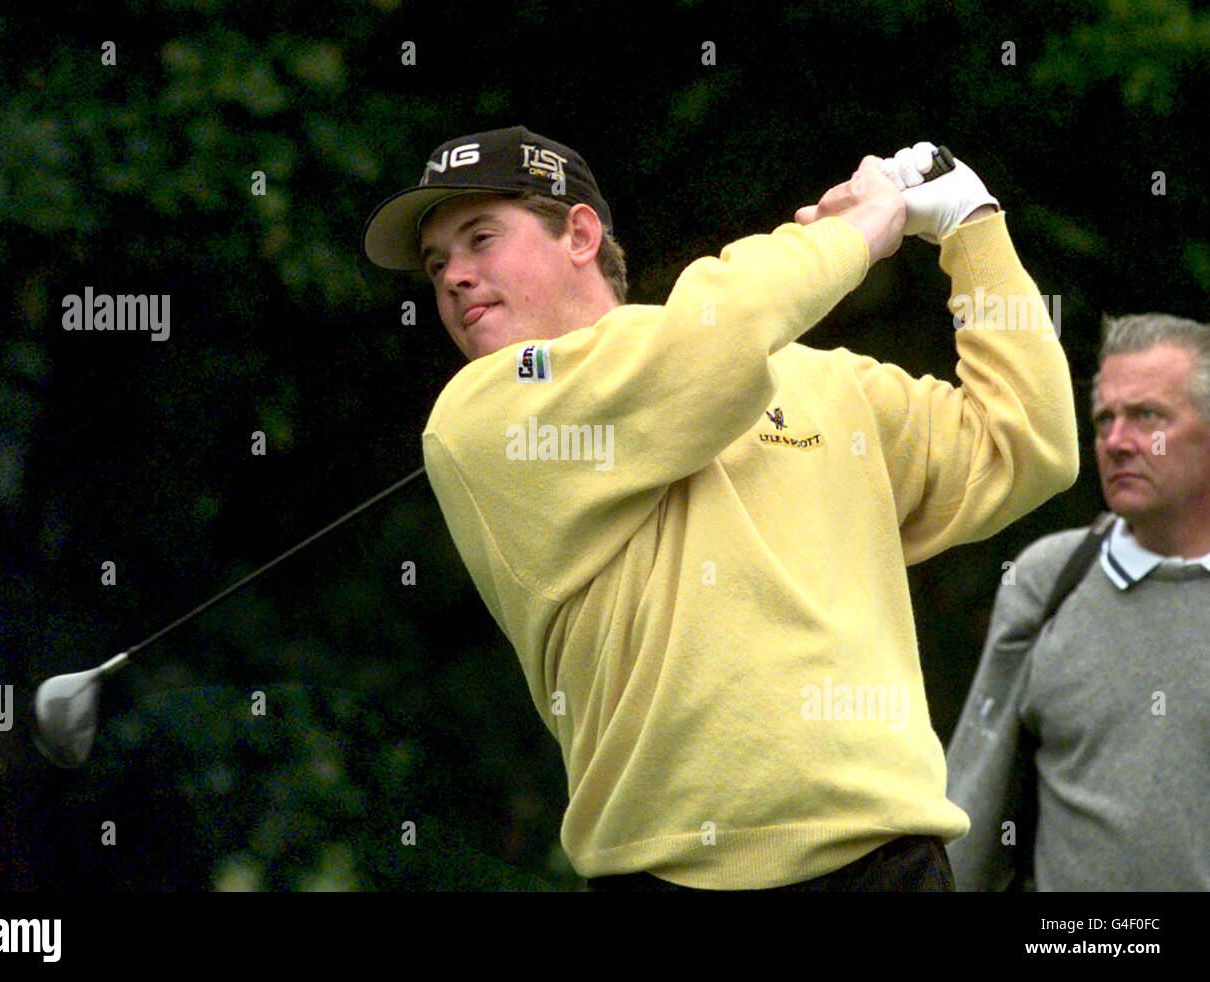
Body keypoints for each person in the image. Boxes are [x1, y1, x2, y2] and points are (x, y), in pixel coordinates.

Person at [362, 125, 1078, 890]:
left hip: (889, 864)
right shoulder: (481, 415)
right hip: (667, 875)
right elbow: (700, 354)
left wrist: (972, 229)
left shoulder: (814, 379)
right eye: (436, 263)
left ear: (579, 234)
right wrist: (853, 234)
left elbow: (1026, 441)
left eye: (480, 239)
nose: (454, 277)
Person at [946, 313, 1210, 891]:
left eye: (1147, 416)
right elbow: (974, 788)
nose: (1116, 442)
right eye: (1104, 419)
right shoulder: (1051, 578)